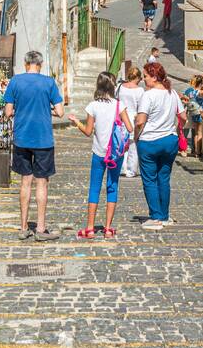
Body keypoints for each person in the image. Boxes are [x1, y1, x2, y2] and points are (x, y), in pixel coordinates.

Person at [3, 49, 64, 241]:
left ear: (25, 63)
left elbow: (7, 112)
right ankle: (40, 228)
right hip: (43, 139)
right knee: (42, 183)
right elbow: (60, 112)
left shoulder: (15, 81)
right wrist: (48, 110)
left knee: (25, 181)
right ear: (40, 64)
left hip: (22, 138)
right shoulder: (48, 83)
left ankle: (23, 227)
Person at [69, 71, 134, 238]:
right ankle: (107, 229)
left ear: (98, 85)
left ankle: (90, 228)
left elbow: (88, 131)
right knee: (112, 187)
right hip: (115, 154)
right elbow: (129, 128)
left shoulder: (93, 106)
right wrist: (124, 144)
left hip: (99, 153)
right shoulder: (119, 105)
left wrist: (77, 122)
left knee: (94, 188)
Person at [134, 61, 186, 231]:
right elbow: (183, 116)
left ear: (154, 77)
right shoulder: (172, 93)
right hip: (170, 140)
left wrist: (136, 136)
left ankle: (155, 217)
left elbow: (141, 121)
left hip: (150, 141)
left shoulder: (148, 95)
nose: (144, 80)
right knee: (164, 178)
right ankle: (164, 216)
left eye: (146, 77)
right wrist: (176, 128)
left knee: (149, 179)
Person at [117, 66, 144, 178]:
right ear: (137, 77)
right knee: (133, 145)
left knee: (121, 145)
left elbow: (116, 101)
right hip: (133, 119)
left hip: (121, 119)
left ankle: (121, 167)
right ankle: (131, 170)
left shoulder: (119, 87)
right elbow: (142, 107)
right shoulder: (140, 90)